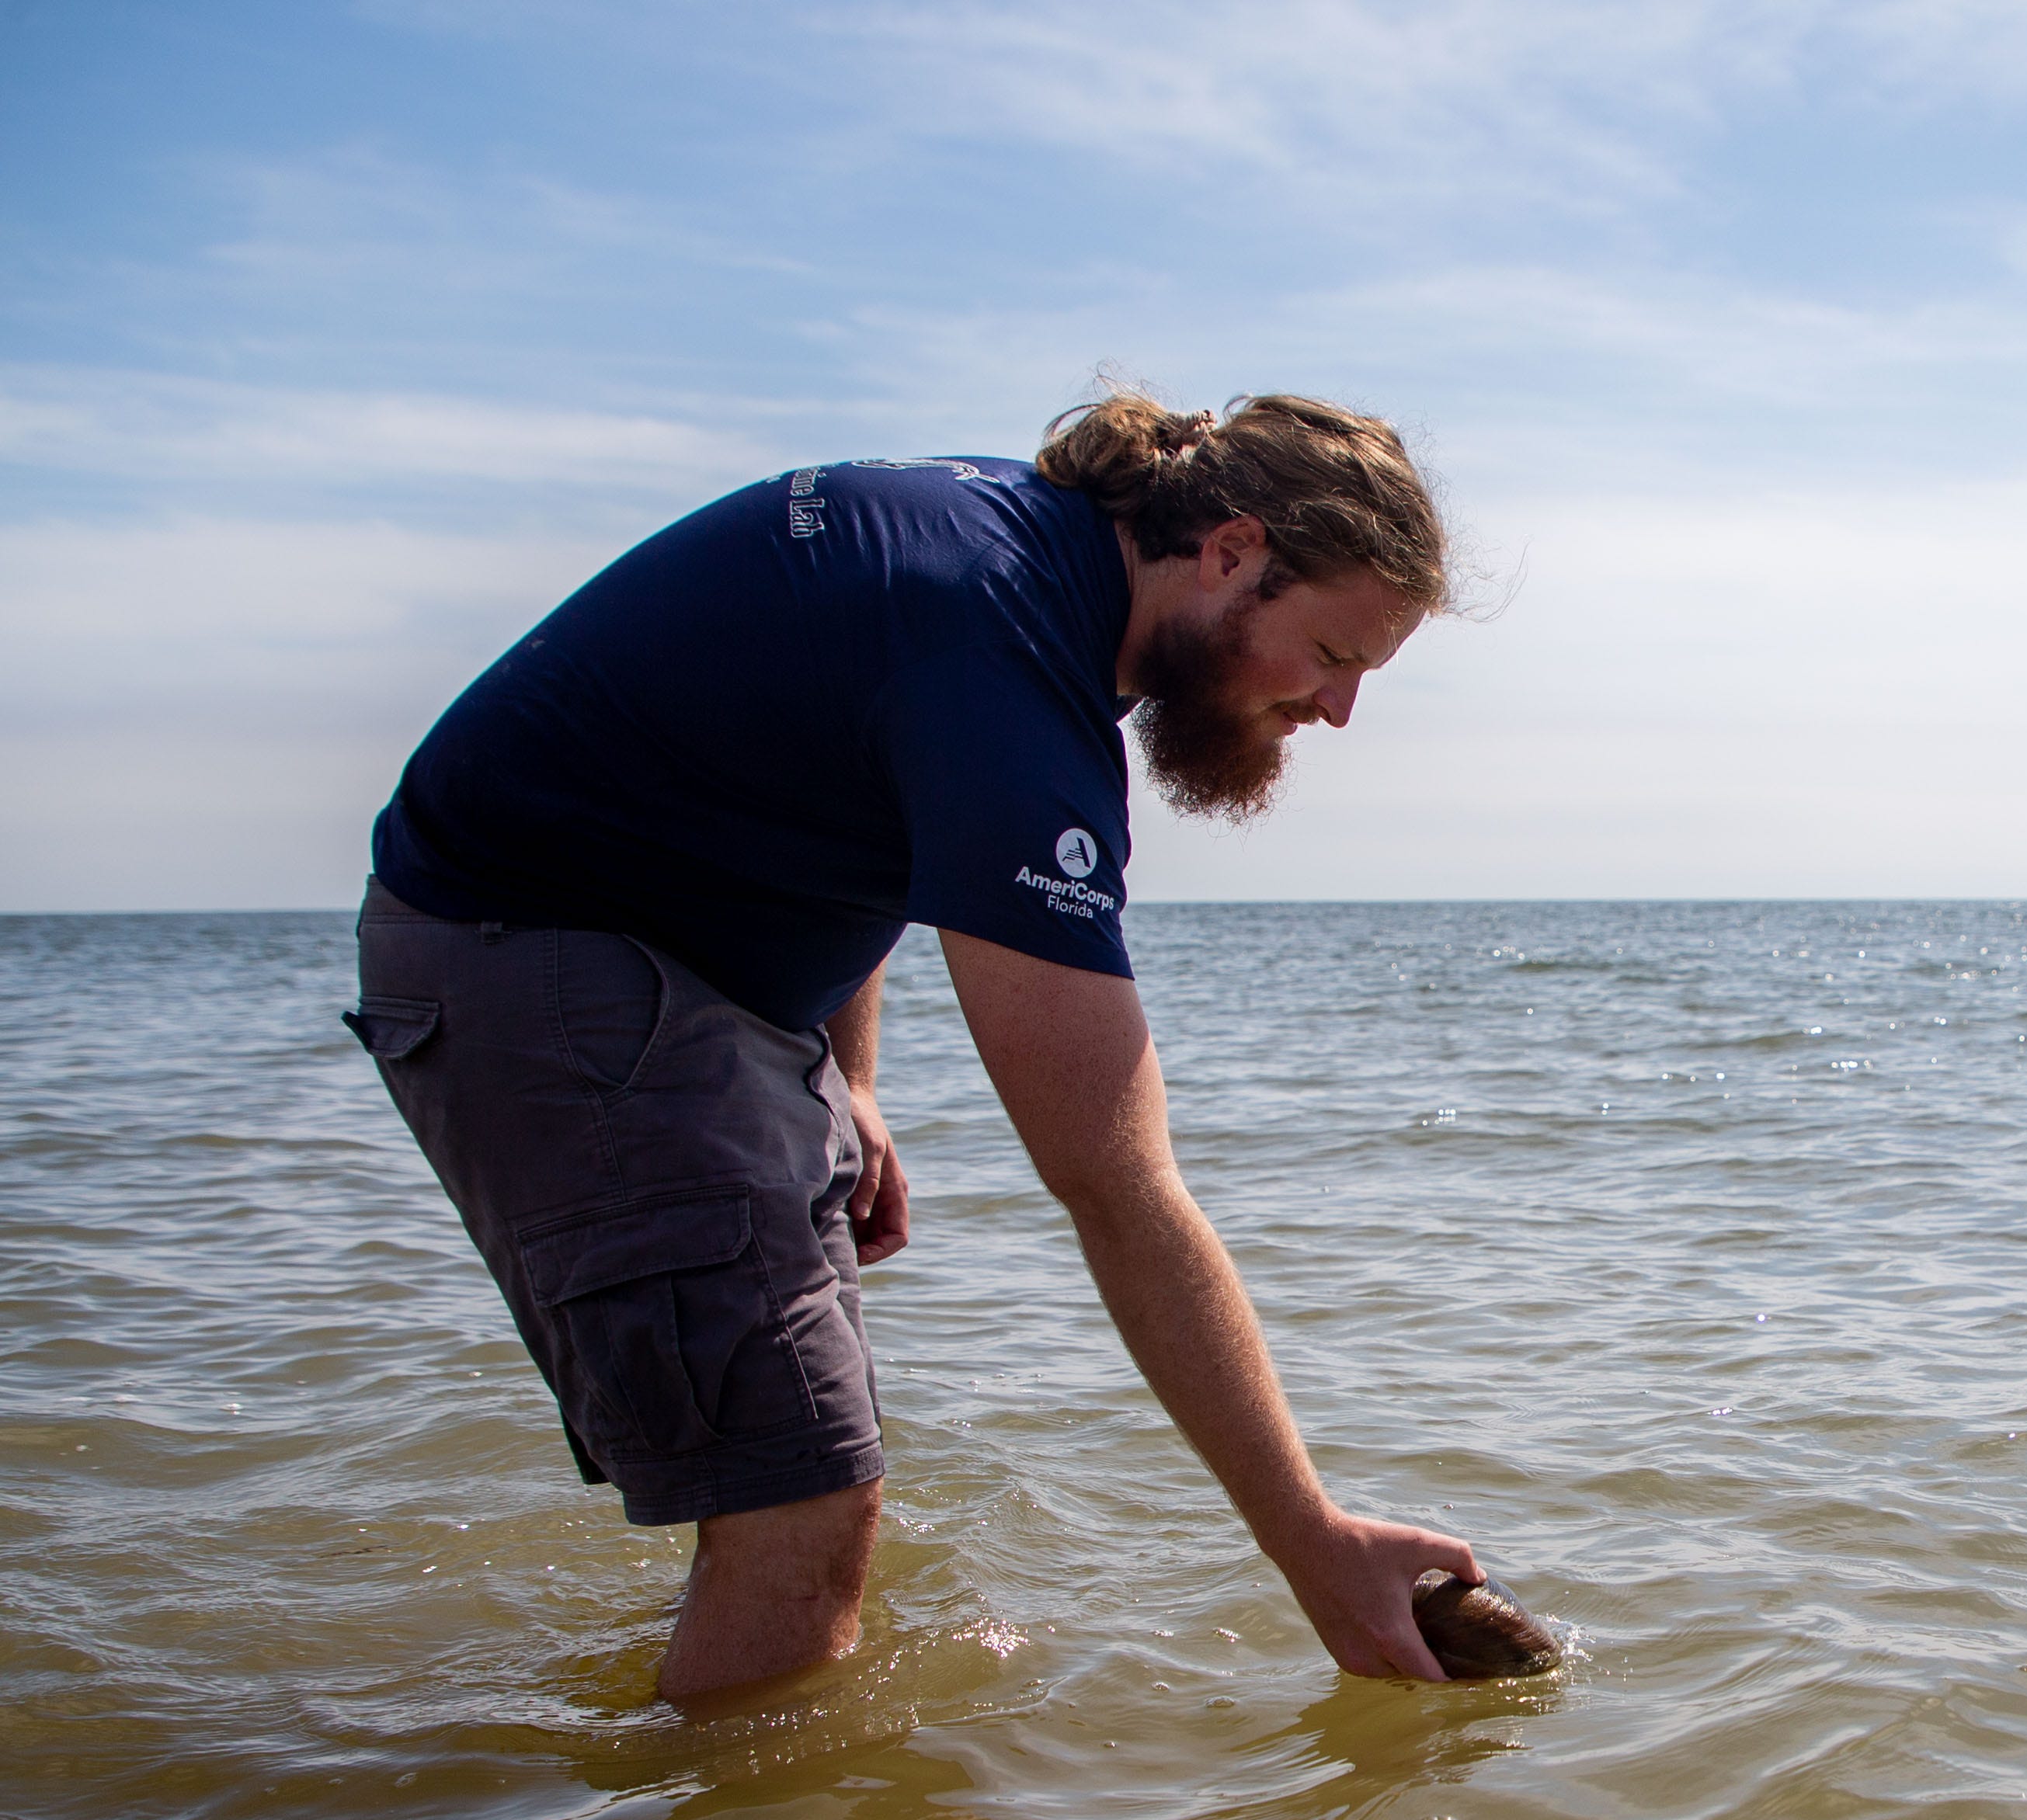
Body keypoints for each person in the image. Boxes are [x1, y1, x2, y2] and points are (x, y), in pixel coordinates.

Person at [346, 383, 1484, 1701]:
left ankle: (685, 1757)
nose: (1339, 711)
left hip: (670, 968)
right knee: (804, 1504)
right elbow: (1115, 1183)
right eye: (1335, 656)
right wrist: (1311, 1541)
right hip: (537, 955)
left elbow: (849, 789)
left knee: (793, 1474)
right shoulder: (997, 656)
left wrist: (854, 1070)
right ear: (1231, 551)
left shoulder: (1017, 560)